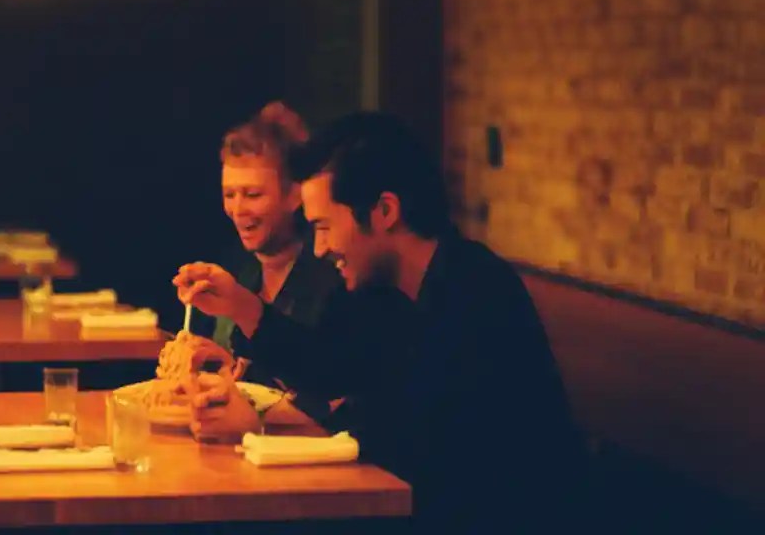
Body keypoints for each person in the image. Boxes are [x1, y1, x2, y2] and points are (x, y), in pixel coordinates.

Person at [175, 112, 586, 533]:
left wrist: (260, 427)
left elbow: (407, 441)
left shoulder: (476, 291)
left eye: (323, 227)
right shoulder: (380, 291)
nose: (318, 249)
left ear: (385, 211)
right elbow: (330, 367)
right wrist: (242, 306)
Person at [177, 102, 351, 439]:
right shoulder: (236, 268)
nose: (238, 209)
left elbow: (328, 388)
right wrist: (221, 365)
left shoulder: (334, 277)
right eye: (230, 194)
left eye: (253, 194)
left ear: (294, 196)